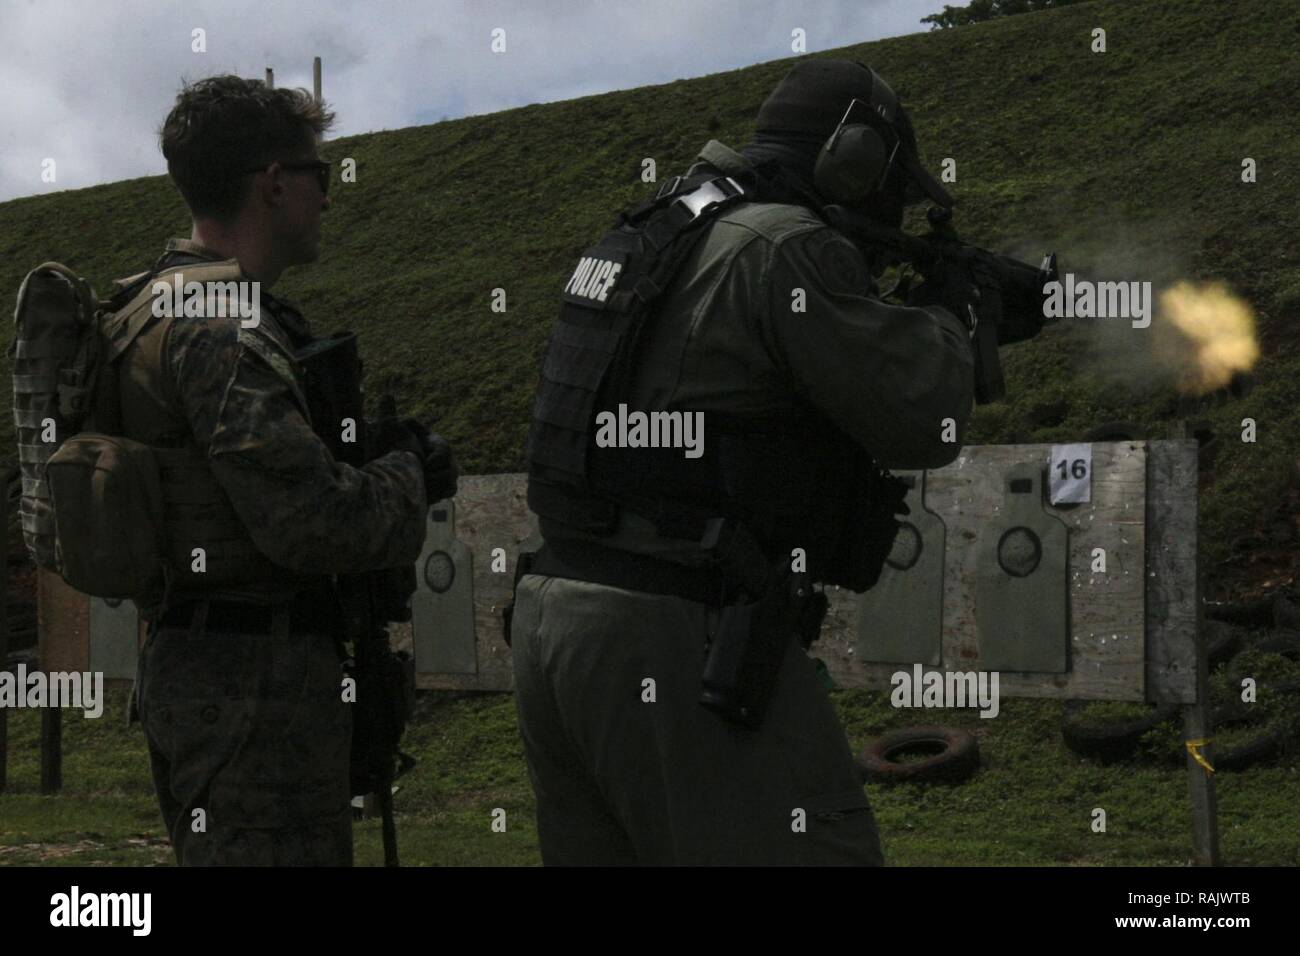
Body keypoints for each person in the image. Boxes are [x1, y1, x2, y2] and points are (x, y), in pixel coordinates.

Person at [511, 59, 977, 865]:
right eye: (887, 187)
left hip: (557, 608)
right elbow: (924, 419)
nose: (885, 211)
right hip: (672, 622)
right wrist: (957, 317)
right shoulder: (785, 245)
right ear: (854, 158)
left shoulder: (647, 230)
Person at [121, 75, 456, 865]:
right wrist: (411, 468)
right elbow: (316, 523)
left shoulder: (151, 300)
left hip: (203, 672)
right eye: (320, 176)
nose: (328, 198)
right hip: (254, 698)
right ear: (274, 184)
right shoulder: (218, 324)